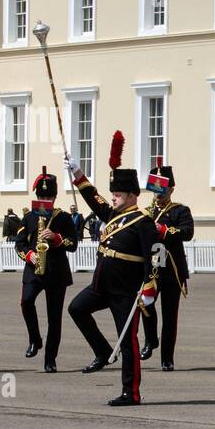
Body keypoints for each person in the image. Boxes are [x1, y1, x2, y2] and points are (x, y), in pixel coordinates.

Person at [66, 135, 161, 406]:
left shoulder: (143, 222)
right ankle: (102, 350)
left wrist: (149, 287)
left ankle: (130, 393)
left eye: (118, 195)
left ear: (132, 195)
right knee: (76, 309)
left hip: (126, 290)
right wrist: (77, 172)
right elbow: (93, 198)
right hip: (102, 284)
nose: (113, 198)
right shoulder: (113, 214)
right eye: (113, 194)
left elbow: (154, 256)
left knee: (129, 342)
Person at [14, 168, 78, 373]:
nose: (45, 200)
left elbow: (73, 243)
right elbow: (19, 243)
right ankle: (35, 339)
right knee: (26, 301)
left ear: (55, 197)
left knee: (54, 317)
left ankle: (50, 359)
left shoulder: (64, 218)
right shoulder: (29, 217)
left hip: (56, 271)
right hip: (34, 269)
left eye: (48, 197)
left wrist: (57, 238)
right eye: (41, 197)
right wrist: (28, 255)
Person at [139, 160, 195, 371]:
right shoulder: (146, 212)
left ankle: (167, 358)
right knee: (145, 304)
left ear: (171, 189)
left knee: (170, 316)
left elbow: (187, 233)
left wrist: (163, 230)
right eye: (157, 189)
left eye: (163, 189)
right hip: (152, 267)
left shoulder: (180, 210)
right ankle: (150, 339)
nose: (159, 194)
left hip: (172, 268)